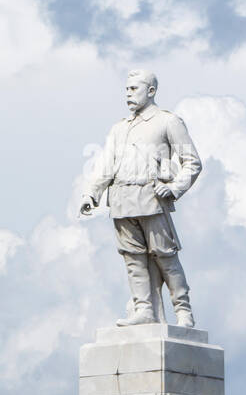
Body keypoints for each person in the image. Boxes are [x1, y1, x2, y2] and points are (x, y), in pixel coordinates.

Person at [80, 69, 202, 327]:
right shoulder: (118, 129)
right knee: (133, 259)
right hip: (122, 200)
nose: (128, 94)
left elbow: (192, 162)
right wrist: (92, 193)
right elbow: (105, 165)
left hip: (151, 198)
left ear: (151, 91)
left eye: (134, 89)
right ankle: (143, 308)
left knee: (165, 256)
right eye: (126, 89)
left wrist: (174, 188)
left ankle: (183, 311)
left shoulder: (168, 122)